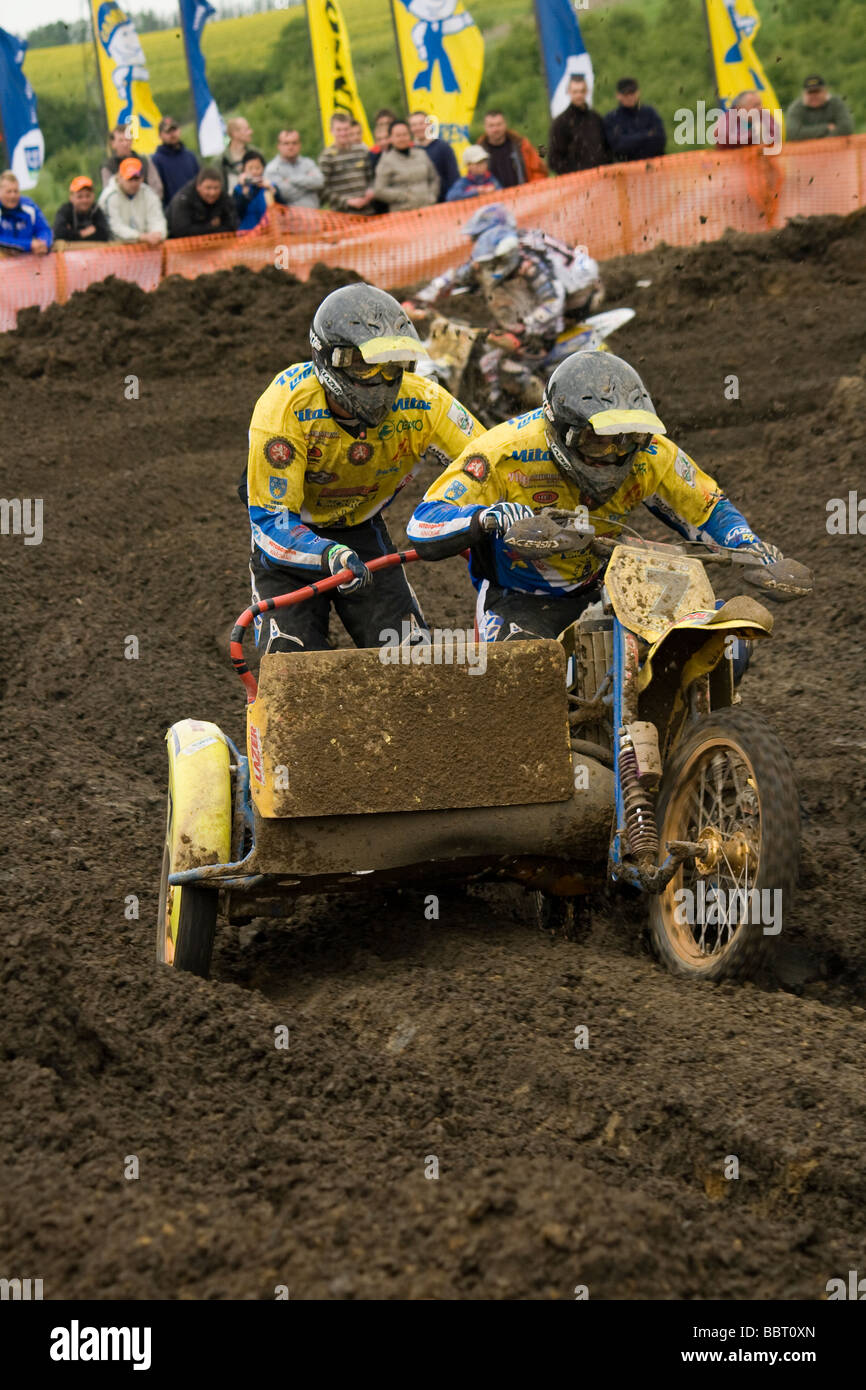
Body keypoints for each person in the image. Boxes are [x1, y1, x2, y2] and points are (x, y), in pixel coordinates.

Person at [407, 351, 784, 642]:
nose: (615, 454)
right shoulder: (505, 452)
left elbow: (707, 508)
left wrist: (748, 544)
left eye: (627, 440)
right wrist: (488, 516)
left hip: (614, 582)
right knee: (522, 679)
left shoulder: (650, 452)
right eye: (598, 441)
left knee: (723, 644)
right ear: (563, 431)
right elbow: (425, 519)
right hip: (520, 596)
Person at [241, 284, 484, 654]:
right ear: (331, 359)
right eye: (366, 366)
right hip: (289, 538)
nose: (382, 381)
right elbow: (270, 522)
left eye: (391, 367)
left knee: (411, 660)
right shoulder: (284, 407)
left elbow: (493, 462)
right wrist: (328, 554)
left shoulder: (426, 403)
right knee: (291, 671)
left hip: (360, 531)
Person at [372, 119, 440, 211]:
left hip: (428, 208)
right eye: (398, 136)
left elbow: (434, 178)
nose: (402, 138)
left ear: (410, 135)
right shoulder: (386, 161)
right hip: (403, 213)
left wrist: (432, 196)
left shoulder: (421, 154)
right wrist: (403, 196)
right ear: (391, 138)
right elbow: (379, 190)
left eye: (405, 134)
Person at [548, 75, 610, 174]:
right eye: (575, 92)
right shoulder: (561, 123)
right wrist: (574, 174)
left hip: (600, 177)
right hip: (576, 182)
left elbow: (607, 148)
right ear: (569, 92)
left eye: (582, 91)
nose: (579, 95)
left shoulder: (596, 118)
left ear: (587, 92)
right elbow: (554, 159)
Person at [97, 157, 167, 245]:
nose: (134, 183)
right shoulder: (109, 196)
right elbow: (114, 227)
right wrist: (140, 237)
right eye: (130, 179)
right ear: (120, 178)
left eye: (136, 179)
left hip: (147, 247)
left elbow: (157, 219)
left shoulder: (148, 193)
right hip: (117, 249)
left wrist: (157, 233)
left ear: (142, 178)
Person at [319, 111, 375, 213]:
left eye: (346, 129)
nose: (343, 133)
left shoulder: (362, 150)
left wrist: (370, 191)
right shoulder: (327, 156)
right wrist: (346, 202)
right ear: (332, 131)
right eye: (339, 130)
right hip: (342, 215)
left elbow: (371, 177)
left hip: (367, 212)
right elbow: (323, 189)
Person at [478, 109, 547, 187]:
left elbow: (539, 171)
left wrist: (533, 189)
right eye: (491, 125)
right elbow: (472, 181)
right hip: (492, 198)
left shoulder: (521, 145)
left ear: (505, 124)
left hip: (525, 195)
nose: (495, 129)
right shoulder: (477, 153)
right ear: (485, 127)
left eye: (499, 124)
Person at [603, 78, 666, 162]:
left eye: (632, 93)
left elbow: (660, 140)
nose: (629, 97)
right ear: (618, 95)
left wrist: (630, 139)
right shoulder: (611, 118)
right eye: (625, 94)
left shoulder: (650, 112)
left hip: (654, 166)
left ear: (638, 93)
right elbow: (618, 146)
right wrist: (646, 135)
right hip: (627, 170)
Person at [167, 166, 239, 238]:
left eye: (216, 188)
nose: (212, 193)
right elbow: (181, 231)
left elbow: (233, 224)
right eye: (208, 188)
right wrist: (210, 226)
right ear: (198, 187)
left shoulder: (223, 197)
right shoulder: (183, 199)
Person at [99, 123, 163, 200]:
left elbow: (156, 187)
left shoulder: (144, 162)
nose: (125, 144)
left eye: (127, 139)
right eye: (121, 140)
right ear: (113, 144)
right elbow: (108, 192)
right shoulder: (108, 167)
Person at [264, 130, 325, 209]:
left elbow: (319, 182)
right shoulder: (272, 169)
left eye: (294, 143)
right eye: (286, 143)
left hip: (314, 217)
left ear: (300, 145)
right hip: (288, 218)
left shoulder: (308, 163)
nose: (290, 147)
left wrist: (290, 179)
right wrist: (309, 186)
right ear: (278, 146)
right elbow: (283, 194)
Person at [408, 110, 459, 201]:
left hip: (445, 201)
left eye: (421, 123)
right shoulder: (409, 151)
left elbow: (453, 176)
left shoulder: (443, 147)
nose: (418, 128)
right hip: (420, 204)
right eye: (414, 125)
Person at [786, 75, 854, 142]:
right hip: (805, 152)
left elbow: (846, 128)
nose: (814, 95)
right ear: (803, 94)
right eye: (810, 92)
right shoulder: (796, 108)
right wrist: (826, 128)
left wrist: (823, 142)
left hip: (836, 149)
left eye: (817, 91)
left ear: (825, 92)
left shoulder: (836, 103)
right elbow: (793, 134)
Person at [150, 115, 199, 207]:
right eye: (168, 131)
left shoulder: (190, 156)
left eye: (174, 130)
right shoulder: (156, 160)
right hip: (172, 212)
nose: (172, 134)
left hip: (194, 208)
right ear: (160, 135)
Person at [0, 172, 52, 255]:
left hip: (27, 262)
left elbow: (44, 229)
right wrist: (29, 244)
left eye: (16, 191)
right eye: (9, 192)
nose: (13, 196)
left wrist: (43, 242)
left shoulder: (29, 207)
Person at [232, 148, 283, 231]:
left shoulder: (271, 186)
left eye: (257, 168)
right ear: (244, 169)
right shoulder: (238, 189)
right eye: (250, 168)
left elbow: (282, 209)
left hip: (268, 231)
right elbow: (236, 213)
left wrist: (272, 190)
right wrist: (244, 192)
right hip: (247, 233)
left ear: (263, 168)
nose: (254, 171)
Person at [52, 175, 110, 244]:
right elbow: (59, 233)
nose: (84, 200)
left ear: (93, 196)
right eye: (80, 197)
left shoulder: (96, 210)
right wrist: (81, 233)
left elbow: (104, 235)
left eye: (88, 196)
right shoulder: (65, 210)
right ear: (71, 197)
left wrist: (71, 234)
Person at [712, 91, 779, 149]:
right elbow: (723, 137)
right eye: (756, 105)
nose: (761, 108)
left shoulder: (764, 114)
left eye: (760, 104)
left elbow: (775, 134)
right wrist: (753, 135)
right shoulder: (727, 119)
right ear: (740, 108)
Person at [219, 116, 253, 192]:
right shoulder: (221, 161)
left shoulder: (255, 153)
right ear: (235, 133)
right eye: (246, 130)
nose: (251, 132)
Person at [369, 108, 399, 175]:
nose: (385, 126)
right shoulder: (373, 153)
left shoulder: (407, 146)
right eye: (381, 124)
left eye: (388, 123)